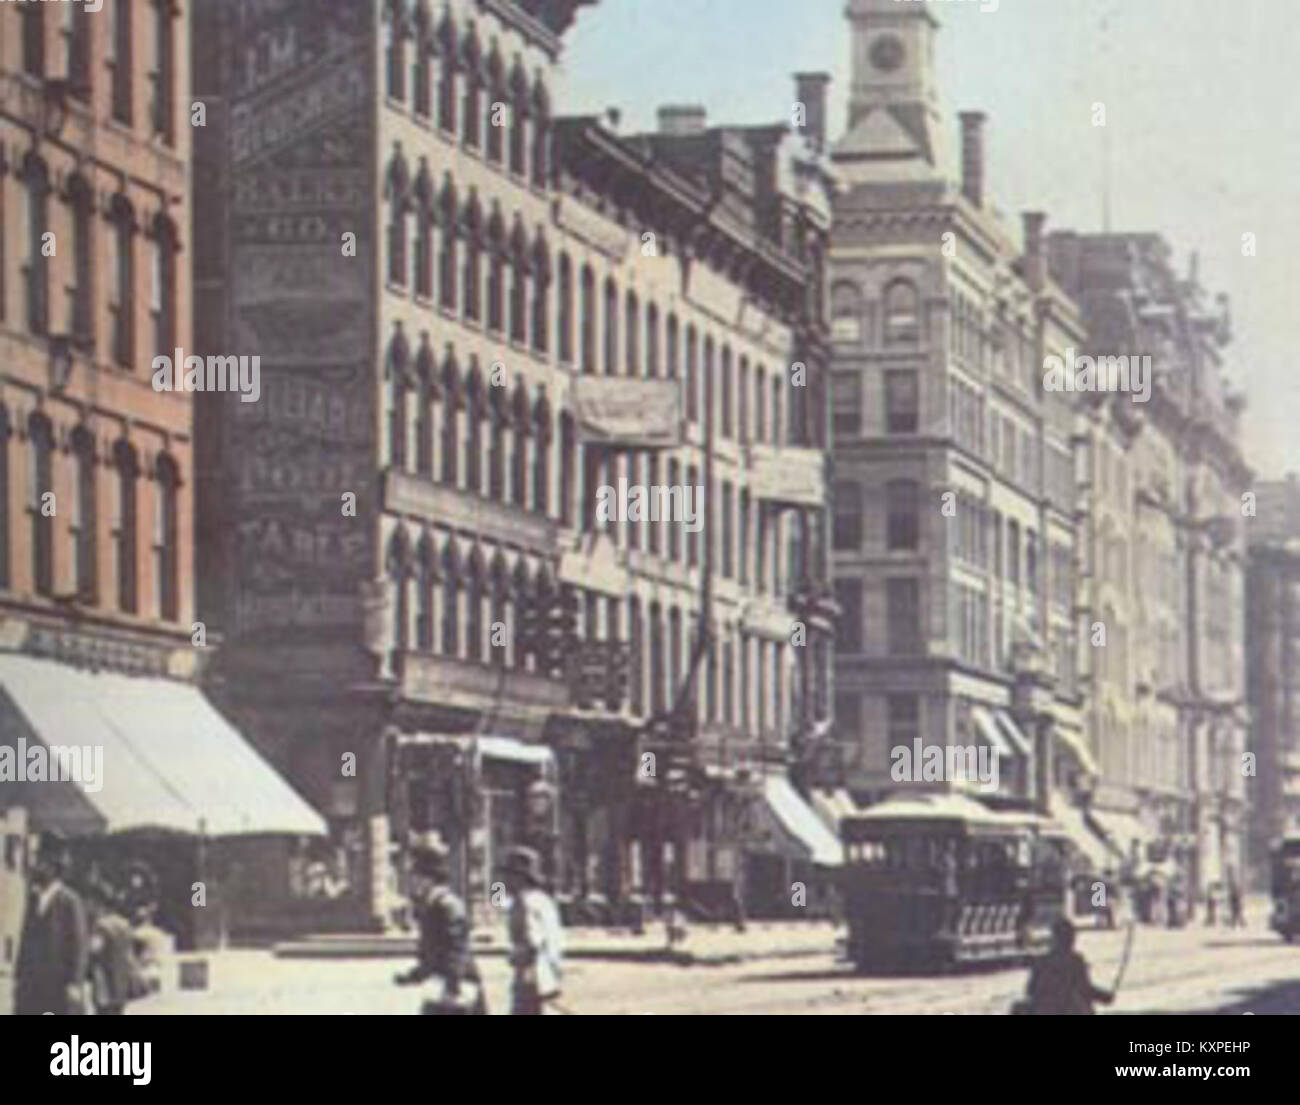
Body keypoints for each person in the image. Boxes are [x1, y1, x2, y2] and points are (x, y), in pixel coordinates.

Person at [394, 835, 485, 1015]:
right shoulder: (433, 904)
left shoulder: (446, 905)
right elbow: (434, 952)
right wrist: (415, 975)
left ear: (429, 879)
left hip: (454, 986)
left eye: (416, 878)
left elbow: (456, 947)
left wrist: (453, 983)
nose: (412, 883)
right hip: (442, 985)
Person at [15, 833, 89, 1015]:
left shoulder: (70, 901)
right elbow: (25, 939)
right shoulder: (33, 900)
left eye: (41, 861)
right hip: (31, 985)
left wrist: (75, 983)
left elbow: (79, 944)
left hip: (57, 986)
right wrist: (19, 976)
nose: (37, 866)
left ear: (54, 866)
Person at [503, 845, 563, 1015]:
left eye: (508, 874)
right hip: (548, 973)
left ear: (520, 877)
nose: (505, 880)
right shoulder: (543, 900)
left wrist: (515, 957)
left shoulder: (523, 902)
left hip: (530, 976)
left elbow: (531, 942)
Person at [1017, 917, 1114, 1015]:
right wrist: (1105, 997)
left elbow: (1030, 990)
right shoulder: (1075, 962)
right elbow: (1085, 989)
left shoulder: (1041, 961)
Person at [87, 877, 137, 1015]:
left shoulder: (101, 925)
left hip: (105, 983)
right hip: (122, 981)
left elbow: (94, 950)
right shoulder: (124, 924)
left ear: (98, 903)